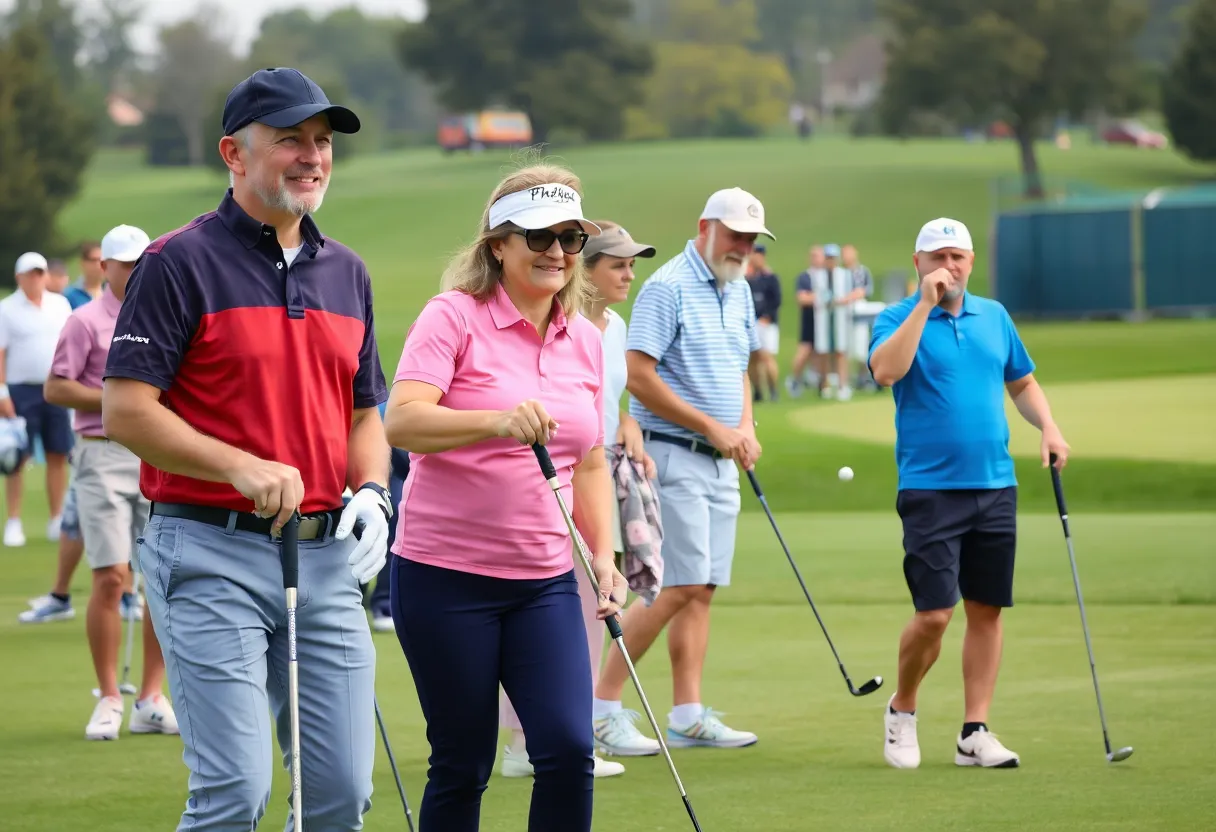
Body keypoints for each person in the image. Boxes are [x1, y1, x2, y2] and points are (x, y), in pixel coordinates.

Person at [100, 67, 392, 829]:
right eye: (290, 139)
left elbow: (367, 413)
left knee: (339, 797)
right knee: (235, 792)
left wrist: (373, 492)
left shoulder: (347, 272)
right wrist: (239, 464)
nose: (312, 156)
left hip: (325, 560)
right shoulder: (177, 263)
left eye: (322, 141)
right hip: (205, 550)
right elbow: (127, 411)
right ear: (234, 153)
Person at [384, 163, 629, 832]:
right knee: (463, 762)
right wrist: (494, 421)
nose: (556, 252)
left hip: (545, 581)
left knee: (570, 748)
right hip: (445, 578)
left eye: (570, 239)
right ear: (498, 244)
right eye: (538, 237)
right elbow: (401, 421)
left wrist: (602, 557)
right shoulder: (454, 317)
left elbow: (588, 464)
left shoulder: (587, 338)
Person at [867, 217, 1071, 770]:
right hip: (930, 489)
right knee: (934, 614)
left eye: (957, 257)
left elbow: (1021, 382)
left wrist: (1048, 427)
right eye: (937, 257)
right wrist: (923, 308)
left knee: (987, 610)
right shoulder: (894, 318)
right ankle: (902, 709)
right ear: (918, 263)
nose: (948, 266)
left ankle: (973, 731)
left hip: (995, 485)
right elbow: (886, 371)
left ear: (971, 261)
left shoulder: (994, 317)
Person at [592, 187, 766, 752]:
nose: (742, 246)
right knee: (672, 586)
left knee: (704, 587)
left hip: (720, 459)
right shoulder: (666, 286)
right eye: (735, 234)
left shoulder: (738, 289)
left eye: (750, 239)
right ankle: (603, 704)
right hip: (672, 453)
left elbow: (741, 367)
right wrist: (713, 429)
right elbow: (639, 376)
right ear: (705, 227)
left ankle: (688, 713)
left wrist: (744, 427)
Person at [497, 219, 659, 780]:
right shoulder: (547, 325)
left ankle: (566, 729)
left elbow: (603, 398)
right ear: (585, 272)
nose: (627, 274)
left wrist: (628, 422)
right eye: (617, 264)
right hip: (545, 482)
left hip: (599, 473)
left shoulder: (609, 328)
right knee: (553, 611)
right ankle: (525, 743)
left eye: (631, 264)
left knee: (594, 605)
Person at [46, 224, 178, 740]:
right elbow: (57, 387)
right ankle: (107, 697)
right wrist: (119, 402)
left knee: (161, 582)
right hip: (101, 454)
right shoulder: (82, 322)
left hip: (157, 454)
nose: (132, 270)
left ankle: (150, 695)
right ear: (105, 268)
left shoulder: (165, 316)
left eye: (139, 261)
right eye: (123, 263)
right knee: (111, 577)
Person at [0, 252, 74, 548]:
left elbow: (71, 346)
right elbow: (0, 353)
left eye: (40, 273)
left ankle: (56, 518)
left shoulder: (60, 305)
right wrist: (2, 391)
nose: (36, 278)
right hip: (20, 390)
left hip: (55, 388)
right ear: (19, 278)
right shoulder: (6, 309)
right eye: (31, 274)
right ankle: (14, 521)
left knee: (58, 453)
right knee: (17, 457)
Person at [745, 244, 782, 403]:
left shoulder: (770, 278)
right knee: (752, 360)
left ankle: (773, 389)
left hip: (767, 323)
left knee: (767, 357)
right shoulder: (746, 278)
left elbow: (776, 301)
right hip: (750, 323)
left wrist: (767, 316)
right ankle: (758, 390)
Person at [787, 244, 824, 396]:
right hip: (810, 318)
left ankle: (821, 384)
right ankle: (794, 379)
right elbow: (802, 298)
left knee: (822, 353)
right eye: (813, 256)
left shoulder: (829, 275)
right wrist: (821, 297)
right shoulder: (805, 277)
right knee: (805, 350)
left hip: (825, 319)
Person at [64, 240, 106, 310]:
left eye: (101, 261)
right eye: (93, 260)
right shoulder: (68, 295)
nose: (98, 265)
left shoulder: (113, 294)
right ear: (82, 263)